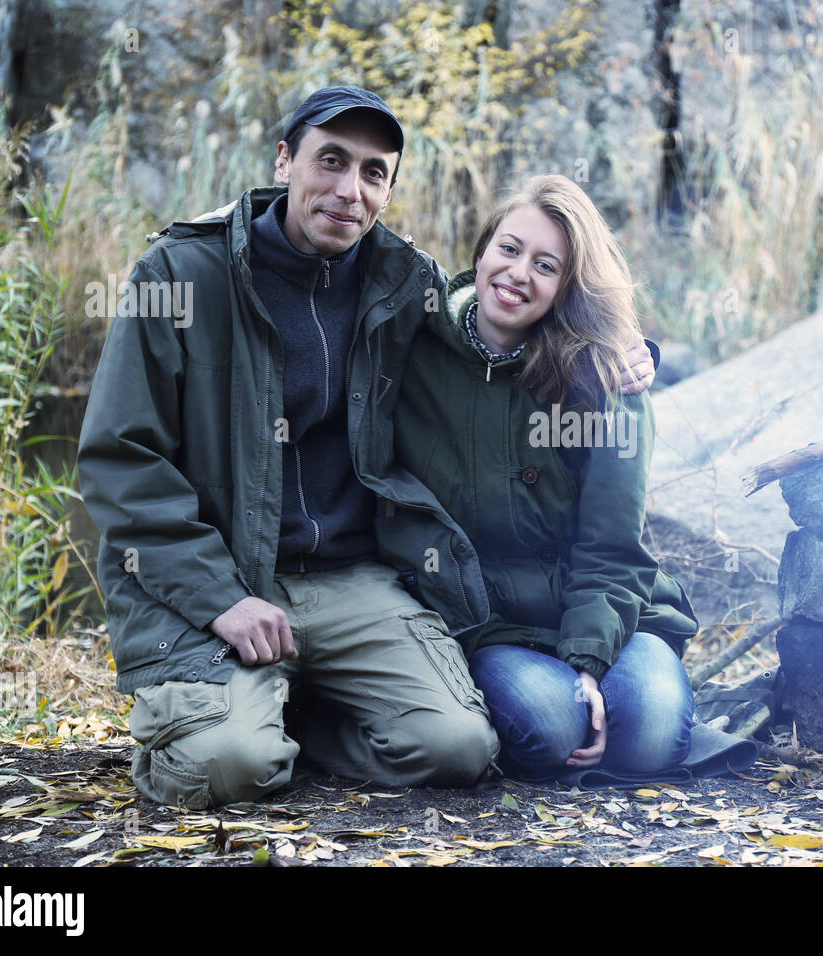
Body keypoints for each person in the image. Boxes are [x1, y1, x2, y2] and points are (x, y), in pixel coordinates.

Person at [76, 86, 659, 808]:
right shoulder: (178, 276)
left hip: (351, 578)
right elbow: (119, 457)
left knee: (460, 747)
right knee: (227, 768)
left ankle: (301, 717)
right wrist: (219, 597)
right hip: (225, 573)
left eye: (373, 172)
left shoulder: (399, 281)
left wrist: (621, 348)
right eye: (331, 161)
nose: (349, 190)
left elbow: (492, 325)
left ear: (387, 191)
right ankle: (242, 728)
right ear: (285, 161)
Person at [388, 175, 700, 780]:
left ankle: (615, 688)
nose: (518, 274)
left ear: (567, 286)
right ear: (480, 253)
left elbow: (613, 546)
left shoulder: (606, 379)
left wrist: (588, 659)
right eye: (508, 249)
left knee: (651, 735)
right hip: (496, 622)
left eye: (546, 265)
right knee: (554, 730)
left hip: (613, 612)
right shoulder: (413, 348)